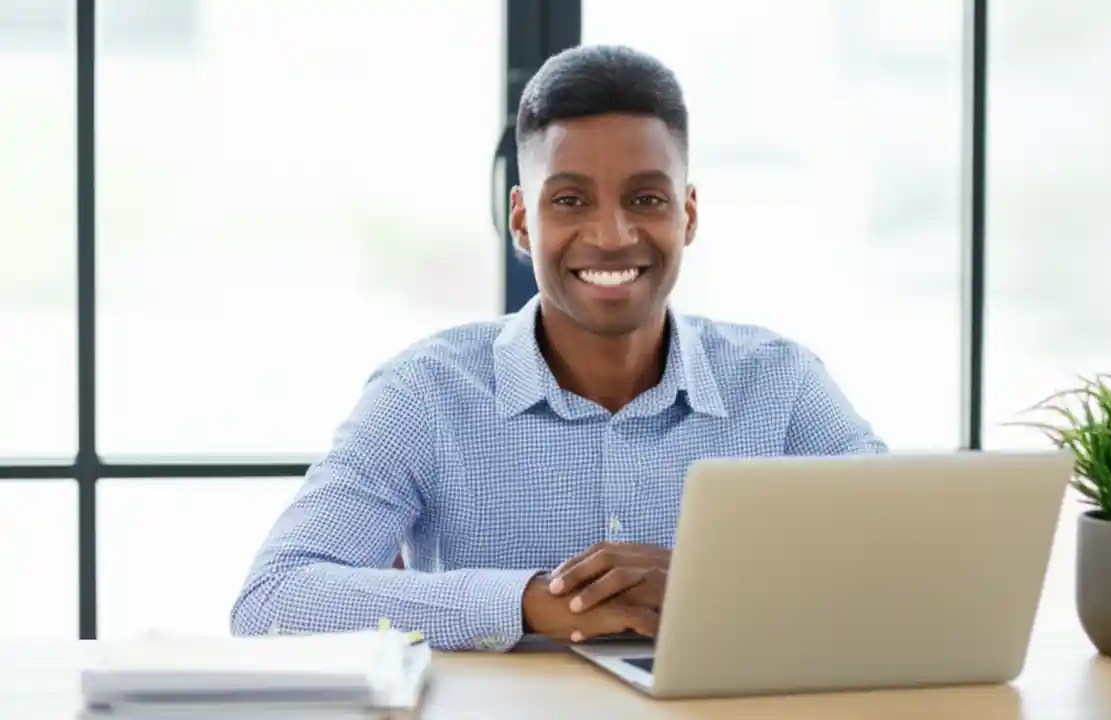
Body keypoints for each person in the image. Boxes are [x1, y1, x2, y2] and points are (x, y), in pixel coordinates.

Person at [230, 44, 886, 652]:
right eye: (570, 200)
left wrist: (709, 586)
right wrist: (527, 601)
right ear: (522, 220)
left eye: (646, 198)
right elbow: (272, 601)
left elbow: (906, 565)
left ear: (687, 215)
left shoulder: (782, 384)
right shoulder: (426, 392)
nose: (610, 234)